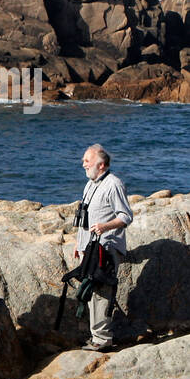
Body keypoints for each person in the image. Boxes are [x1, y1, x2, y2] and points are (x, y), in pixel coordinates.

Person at [76, 144, 133, 352]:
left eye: (87, 161)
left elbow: (126, 216)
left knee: (102, 292)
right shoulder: (90, 184)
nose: (83, 164)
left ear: (101, 165)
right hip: (89, 249)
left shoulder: (113, 184)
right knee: (90, 291)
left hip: (106, 248)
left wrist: (105, 227)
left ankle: (103, 339)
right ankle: (96, 336)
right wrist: (78, 243)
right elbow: (85, 217)